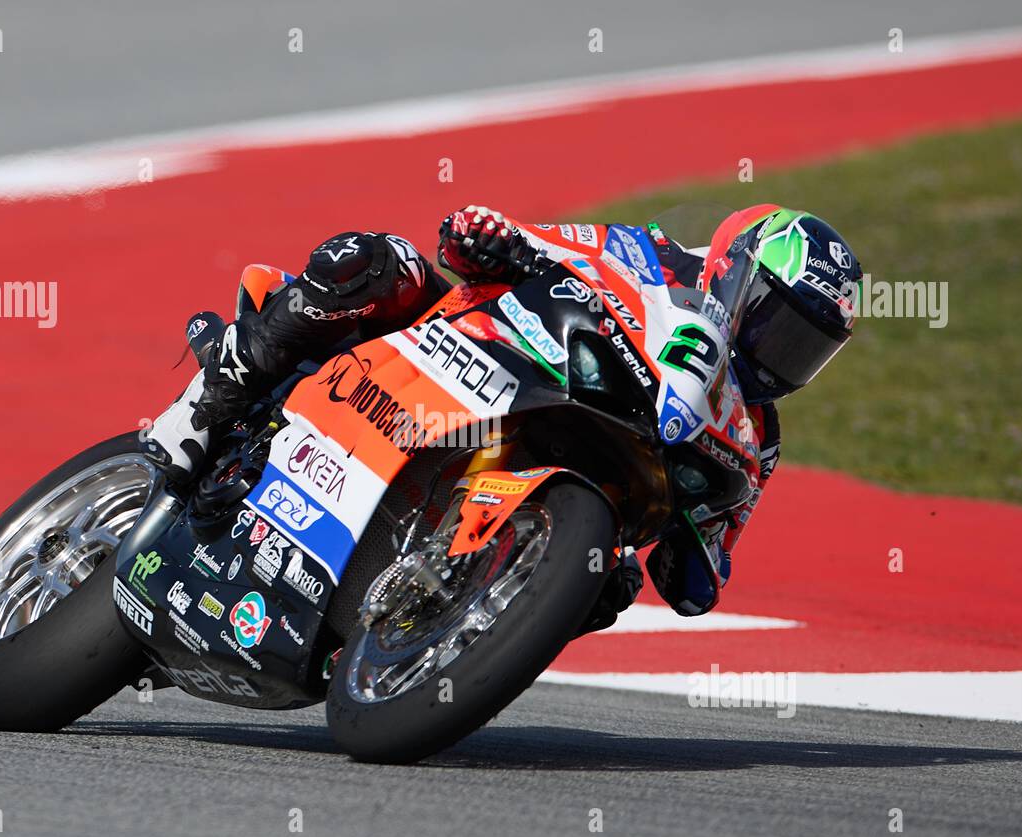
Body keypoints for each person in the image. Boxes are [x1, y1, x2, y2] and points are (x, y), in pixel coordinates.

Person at [145, 204, 861, 618]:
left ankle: (425, 632)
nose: (780, 355)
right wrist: (493, 239)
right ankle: (205, 411)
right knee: (374, 260)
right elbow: (490, 241)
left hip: (567, 460)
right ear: (731, 272)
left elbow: (697, 581)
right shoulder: (648, 255)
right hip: (473, 358)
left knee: (609, 586)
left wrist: (683, 551)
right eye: (775, 322)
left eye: (807, 346)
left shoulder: (753, 441)